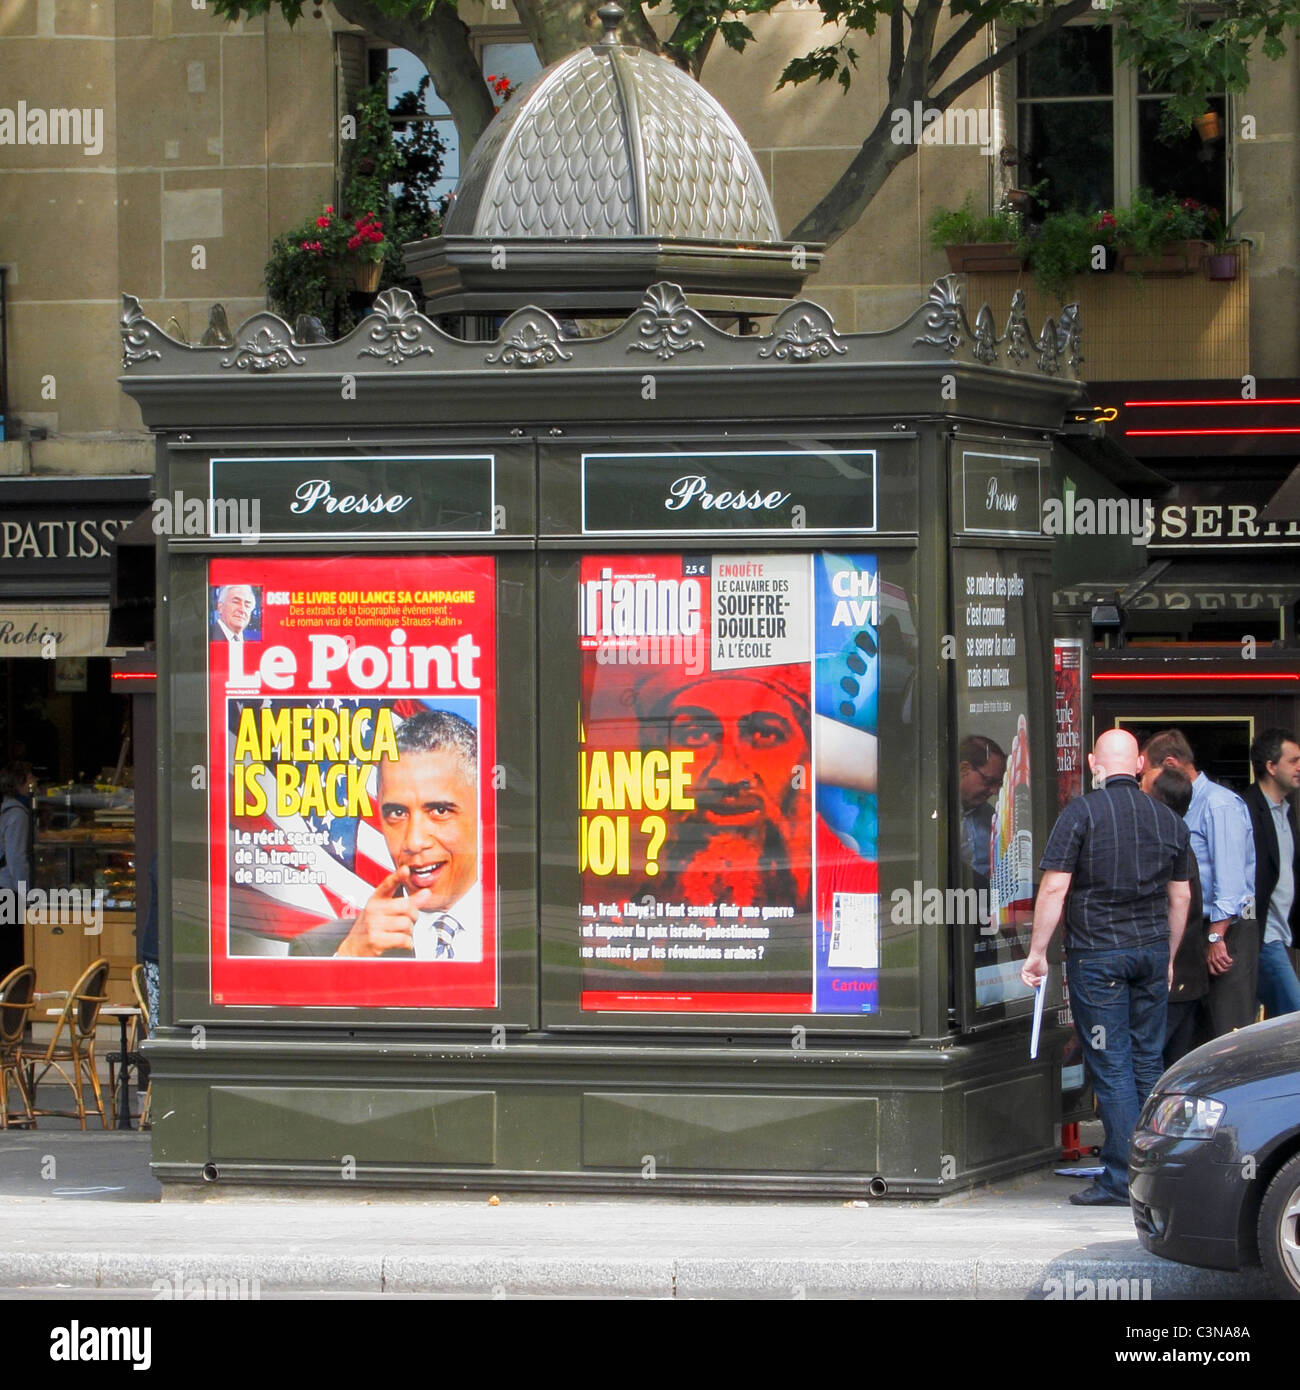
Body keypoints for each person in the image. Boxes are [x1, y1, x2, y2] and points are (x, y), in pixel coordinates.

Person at [1022, 728, 1191, 1207]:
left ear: (1094, 764)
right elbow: (1180, 896)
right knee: (1147, 1060)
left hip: (1098, 956)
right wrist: (1169, 956)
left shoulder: (1080, 813)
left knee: (1111, 1063)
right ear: (1138, 765)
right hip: (1150, 953)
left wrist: (1037, 952)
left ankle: (1121, 1176)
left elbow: (1055, 888)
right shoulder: (1169, 820)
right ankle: (1152, 1172)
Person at [288, 710, 480, 959]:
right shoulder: (323, 951)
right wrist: (348, 964)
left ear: (484, 809)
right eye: (397, 813)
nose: (413, 841)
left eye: (439, 811)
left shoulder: (521, 921)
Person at [1142, 729, 1257, 1038]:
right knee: (1193, 1030)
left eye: (1146, 772)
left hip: (1226, 929)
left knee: (1227, 1029)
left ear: (1169, 764)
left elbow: (1231, 879)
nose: (1142, 781)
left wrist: (1216, 937)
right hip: (1193, 928)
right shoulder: (1182, 804)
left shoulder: (1219, 804)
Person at [1143, 765, 1207, 1066]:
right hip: (1182, 979)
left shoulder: (1168, 844)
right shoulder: (1176, 841)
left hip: (1174, 980)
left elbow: (1181, 900)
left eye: (1142, 789)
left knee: (1151, 1062)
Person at [1244, 728, 1300, 1019]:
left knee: (1271, 1026)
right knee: (1294, 1020)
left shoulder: (1287, 811)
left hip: (1279, 933)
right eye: (1293, 761)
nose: (1299, 767)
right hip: (1261, 935)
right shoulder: (1246, 810)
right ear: (1271, 766)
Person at [957, 734, 1006, 891]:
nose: (994, 791)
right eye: (989, 781)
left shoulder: (990, 816)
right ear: (964, 769)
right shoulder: (937, 815)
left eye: (999, 784)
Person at [0, 763, 34, 978]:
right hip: (8, 889)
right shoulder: (18, 814)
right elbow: (17, 858)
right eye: (30, 777)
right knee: (12, 953)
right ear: (20, 782)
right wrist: (26, 893)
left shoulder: (4, 809)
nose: (34, 782)